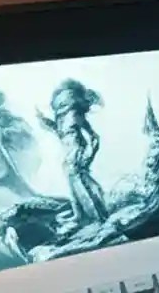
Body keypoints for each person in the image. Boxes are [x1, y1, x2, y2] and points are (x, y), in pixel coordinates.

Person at [36, 79, 109, 226]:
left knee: (80, 184)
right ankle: (82, 214)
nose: (60, 104)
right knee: (76, 184)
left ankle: (96, 216)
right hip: (70, 155)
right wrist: (42, 119)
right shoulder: (62, 118)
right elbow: (57, 130)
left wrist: (89, 155)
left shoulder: (75, 114)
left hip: (76, 153)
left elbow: (95, 138)